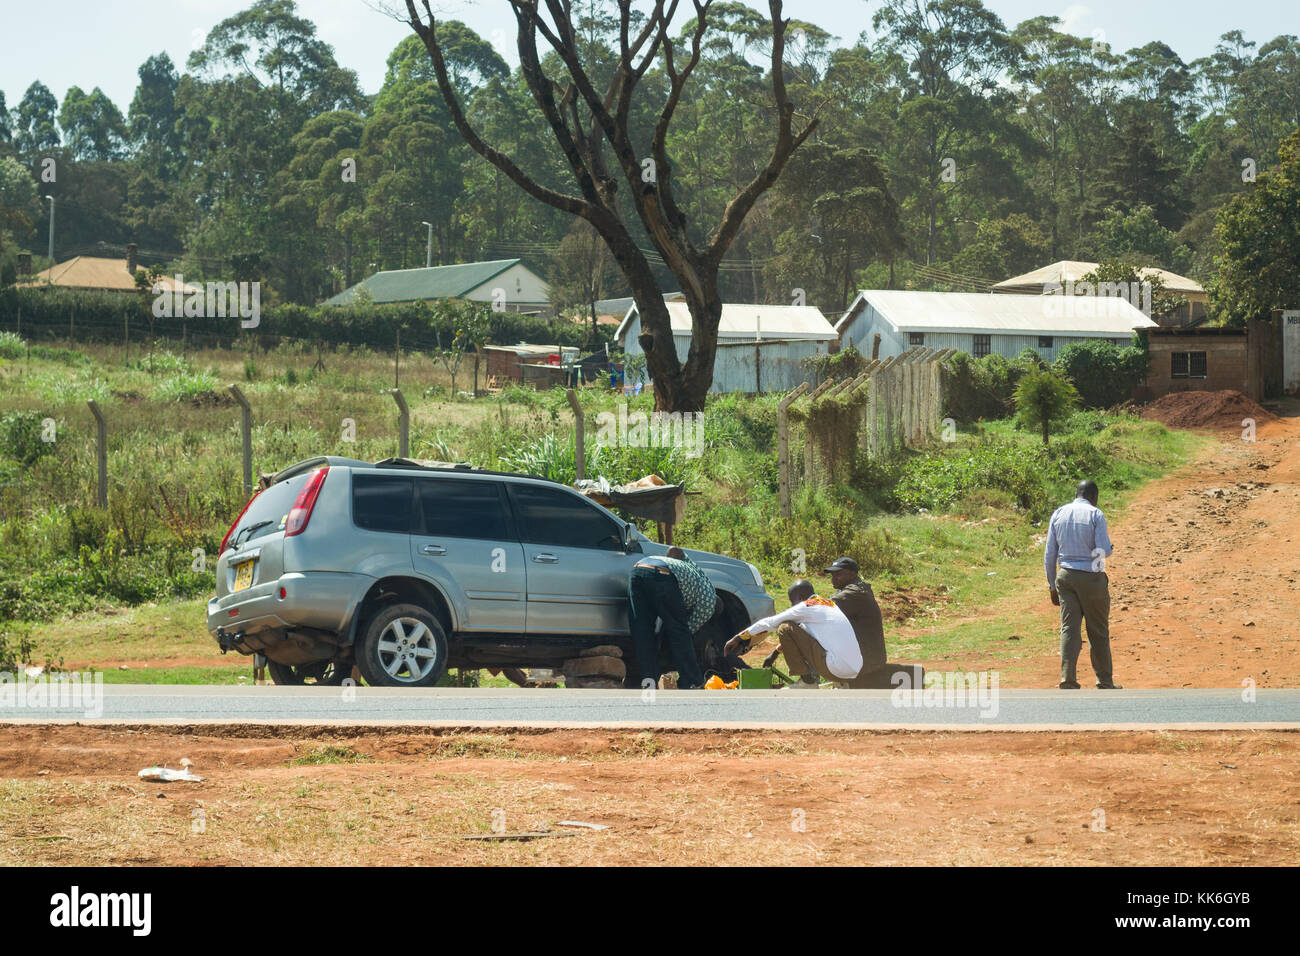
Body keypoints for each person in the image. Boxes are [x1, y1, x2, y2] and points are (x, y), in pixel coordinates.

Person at [1045, 479, 1120, 690]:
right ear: (1094, 496)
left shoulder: (1059, 513)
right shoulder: (1096, 514)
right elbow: (1102, 550)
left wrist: (1052, 585)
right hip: (1091, 577)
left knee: (1069, 628)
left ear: (1077, 494)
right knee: (1098, 630)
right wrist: (1108, 550)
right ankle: (1104, 680)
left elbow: (1050, 554)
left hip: (1066, 576)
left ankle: (1067, 678)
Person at [724, 579, 862, 689]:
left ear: (801, 597)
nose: (792, 606)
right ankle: (841, 683)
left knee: (785, 627)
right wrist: (776, 652)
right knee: (795, 628)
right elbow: (804, 637)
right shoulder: (829, 604)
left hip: (835, 667)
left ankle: (807, 682)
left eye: (792, 602)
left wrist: (739, 637)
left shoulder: (806, 606)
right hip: (854, 669)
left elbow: (770, 623)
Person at [626, 547, 716, 690]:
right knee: (680, 633)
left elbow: (674, 550)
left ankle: (649, 681)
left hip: (638, 569)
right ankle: (693, 681)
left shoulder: (694, 572)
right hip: (663, 575)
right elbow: (684, 632)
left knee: (642, 631)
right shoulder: (709, 603)